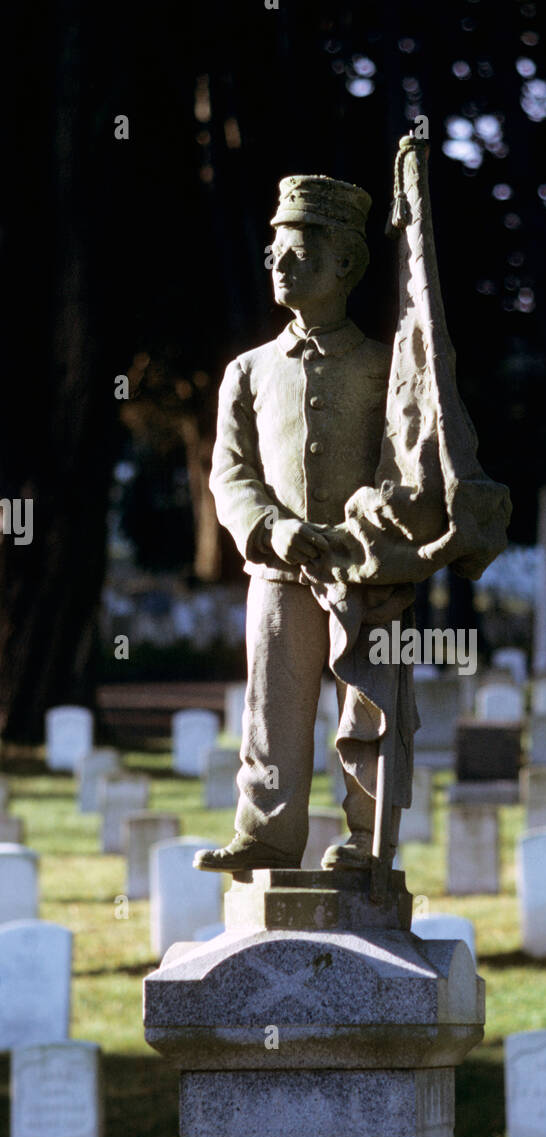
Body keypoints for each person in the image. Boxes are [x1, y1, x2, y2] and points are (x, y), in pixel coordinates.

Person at [195, 175, 413, 874]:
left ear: (346, 264)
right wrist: (271, 528)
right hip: (278, 570)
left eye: (299, 255)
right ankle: (266, 834)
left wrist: (377, 520)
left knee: (370, 712)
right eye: (274, 255)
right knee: (271, 709)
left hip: (367, 573)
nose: (279, 267)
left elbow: (412, 466)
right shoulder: (249, 372)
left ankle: (365, 841)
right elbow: (229, 475)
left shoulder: (391, 371)